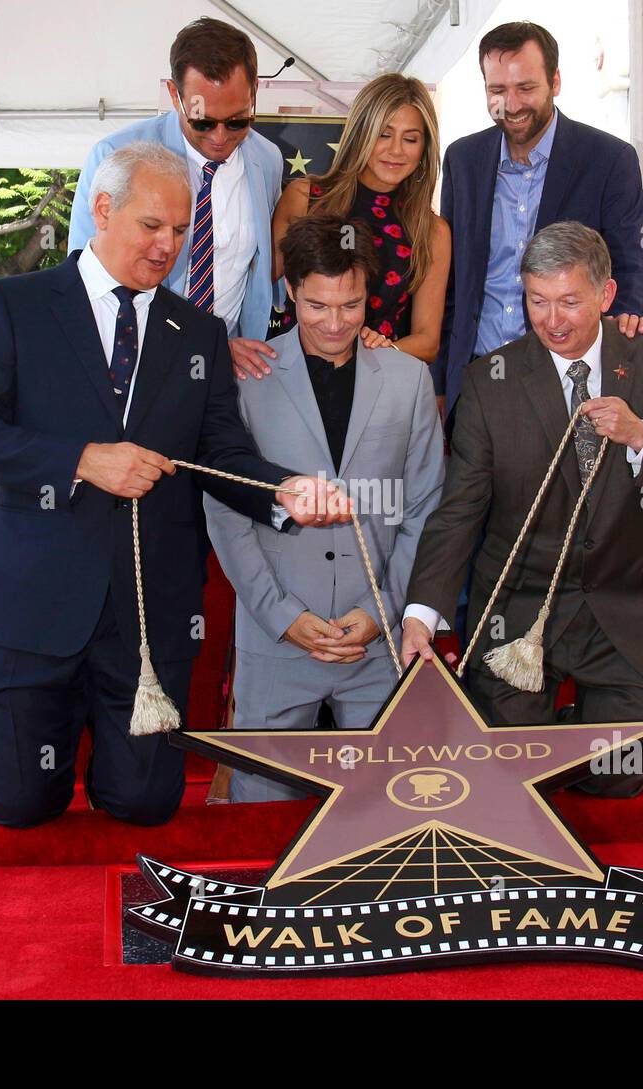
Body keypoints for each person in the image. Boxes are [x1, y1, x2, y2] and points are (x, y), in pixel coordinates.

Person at [0, 143, 350, 829]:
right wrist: (83, 459)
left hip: (149, 615)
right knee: (21, 807)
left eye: (180, 228)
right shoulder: (13, 306)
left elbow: (223, 452)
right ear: (103, 210)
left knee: (145, 804)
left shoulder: (198, 333)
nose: (169, 245)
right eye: (151, 226)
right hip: (33, 603)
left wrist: (283, 492)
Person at [400, 222, 643, 797]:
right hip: (517, 615)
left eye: (570, 302)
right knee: (514, 784)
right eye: (537, 301)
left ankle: (616, 751)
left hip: (628, 612)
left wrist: (642, 437)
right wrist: (421, 615)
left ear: (606, 296)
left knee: (617, 786)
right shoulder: (489, 380)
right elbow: (460, 511)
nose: (552, 320)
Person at [205, 214, 445, 802]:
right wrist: (282, 616)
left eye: (351, 305)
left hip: (377, 644)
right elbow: (226, 507)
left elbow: (424, 509)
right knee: (260, 819)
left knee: (388, 817)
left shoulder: (408, 379)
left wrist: (382, 610)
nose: (335, 324)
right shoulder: (244, 375)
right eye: (317, 306)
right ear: (289, 291)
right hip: (275, 639)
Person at [434, 21, 643, 419]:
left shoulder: (608, 160)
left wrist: (617, 354)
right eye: (497, 90)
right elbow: (451, 286)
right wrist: (441, 384)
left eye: (526, 88)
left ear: (555, 81)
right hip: (475, 382)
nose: (512, 104)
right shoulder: (462, 161)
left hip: (566, 384)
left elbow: (632, 268)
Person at [69, 17, 283, 383]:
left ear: (255, 94)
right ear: (173, 94)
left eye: (236, 121)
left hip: (231, 375)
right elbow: (86, 284)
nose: (220, 137)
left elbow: (256, 276)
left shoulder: (267, 161)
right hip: (135, 367)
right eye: (203, 122)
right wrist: (199, 345)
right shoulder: (116, 156)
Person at [271, 74, 451, 370]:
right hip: (294, 374)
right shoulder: (305, 198)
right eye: (383, 134)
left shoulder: (432, 232)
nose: (396, 150)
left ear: (424, 149)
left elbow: (427, 341)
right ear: (361, 134)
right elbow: (259, 284)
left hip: (379, 384)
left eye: (410, 138)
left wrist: (379, 350)